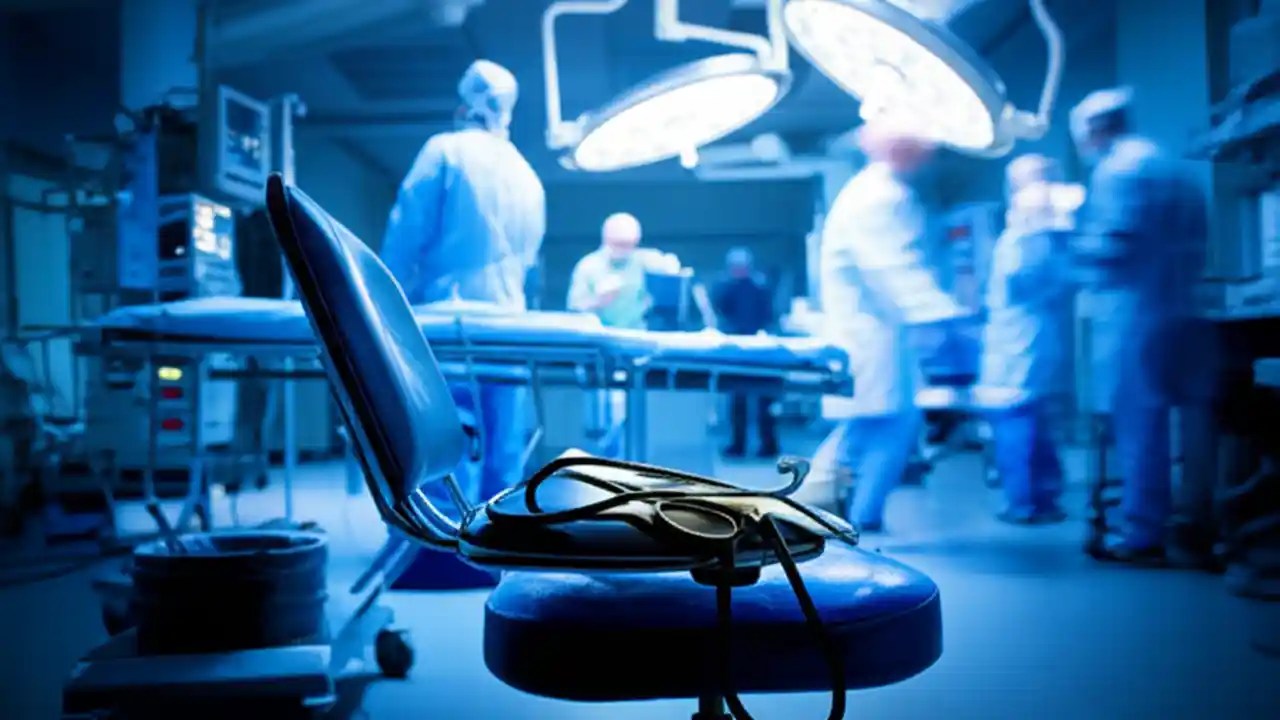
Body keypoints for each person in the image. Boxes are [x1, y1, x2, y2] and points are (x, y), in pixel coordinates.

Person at [380, 59, 545, 510]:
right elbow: (529, 259)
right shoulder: (527, 174)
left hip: (450, 322)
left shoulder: (445, 150)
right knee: (503, 445)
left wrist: (383, 306)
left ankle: (440, 541)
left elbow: (405, 236)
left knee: (449, 440)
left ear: (463, 107)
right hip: (509, 326)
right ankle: (500, 537)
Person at [1070, 87, 1214, 563]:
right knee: (1190, 424)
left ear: (1095, 131)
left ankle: (1143, 533)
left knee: (1139, 427)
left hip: (1132, 315)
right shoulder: (1172, 167)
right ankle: (1195, 522)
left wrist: (1069, 250)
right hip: (1181, 308)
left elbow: (1113, 245)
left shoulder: (1118, 170)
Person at [818, 122, 956, 532]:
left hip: (882, 338)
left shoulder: (883, 191)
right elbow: (892, 268)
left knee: (888, 426)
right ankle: (813, 512)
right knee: (870, 429)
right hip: (871, 338)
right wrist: (940, 318)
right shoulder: (878, 196)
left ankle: (860, 515)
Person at [979, 154, 1077, 525]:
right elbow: (1042, 282)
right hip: (1028, 340)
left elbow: (1032, 281)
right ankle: (1034, 500)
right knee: (1028, 420)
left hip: (1024, 340)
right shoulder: (1038, 233)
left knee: (1024, 419)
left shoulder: (1033, 230)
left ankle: (1030, 501)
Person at [710, 248, 781, 458]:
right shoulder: (732, 288)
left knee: (763, 401)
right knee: (739, 401)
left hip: (757, 350)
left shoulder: (758, 288)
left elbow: (768, 316)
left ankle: (767, 444)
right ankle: (740, 444)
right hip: (741, 350)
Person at [567, 212, 678, 330]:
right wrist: (599, 301)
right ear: (605, 239)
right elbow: (574, 310)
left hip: (637, 333)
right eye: (617, 244)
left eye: (628, 244)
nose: (622, 250)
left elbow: (671, 264)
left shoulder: (644, 260)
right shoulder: (588, 266)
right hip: (600, 334)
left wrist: (671, 267)